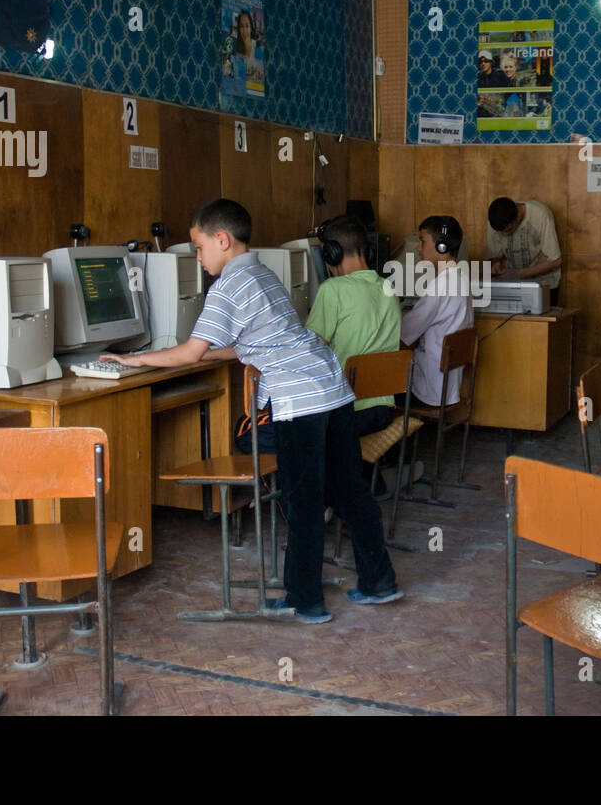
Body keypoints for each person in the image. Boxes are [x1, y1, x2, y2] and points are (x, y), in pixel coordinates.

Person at [100, 198, 400, 623]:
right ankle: (379, 582)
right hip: (331, 387)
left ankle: (305, 600)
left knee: (303, 500)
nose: (198, 258)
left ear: (221, 239)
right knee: (351, 489)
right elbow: (244, 344)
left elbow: (190, 353)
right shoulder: (262, 272)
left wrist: (134, 360)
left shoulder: (227, 286)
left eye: (199, 247)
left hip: (299, 399)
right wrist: (199, 356)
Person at [305, 214, 401, 438]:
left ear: (331, 253)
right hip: (383, 409)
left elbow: (311, 348)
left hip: (346, 410)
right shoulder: (388, 288)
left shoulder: (332, 289)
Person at [401, 215, 473, 408]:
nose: (418, 248)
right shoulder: (461, 279)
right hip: (448, 387)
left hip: (428, 389)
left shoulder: (440, 286)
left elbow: (404, 334)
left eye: (423, 241)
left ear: (441, 246)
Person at [486, 196, 562, 303]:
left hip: (544, 285)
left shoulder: (540, 215)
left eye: (508, 230)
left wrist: (519, 274)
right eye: (501, 232)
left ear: (518, 218)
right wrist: (496, 264)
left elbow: (555, 261)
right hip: (512, 286)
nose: (504, 235)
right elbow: (495, 255)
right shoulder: (495, 221)